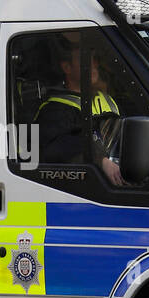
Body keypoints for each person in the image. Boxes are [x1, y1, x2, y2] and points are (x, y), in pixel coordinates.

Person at [34, 32, 125, 186]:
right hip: (87, 188)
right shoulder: (54, 109)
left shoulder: (107, 100)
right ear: (67, 67)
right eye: (85, 60)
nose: (94, 65)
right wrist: (100, 161)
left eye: (95, 60)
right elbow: (58, 149)